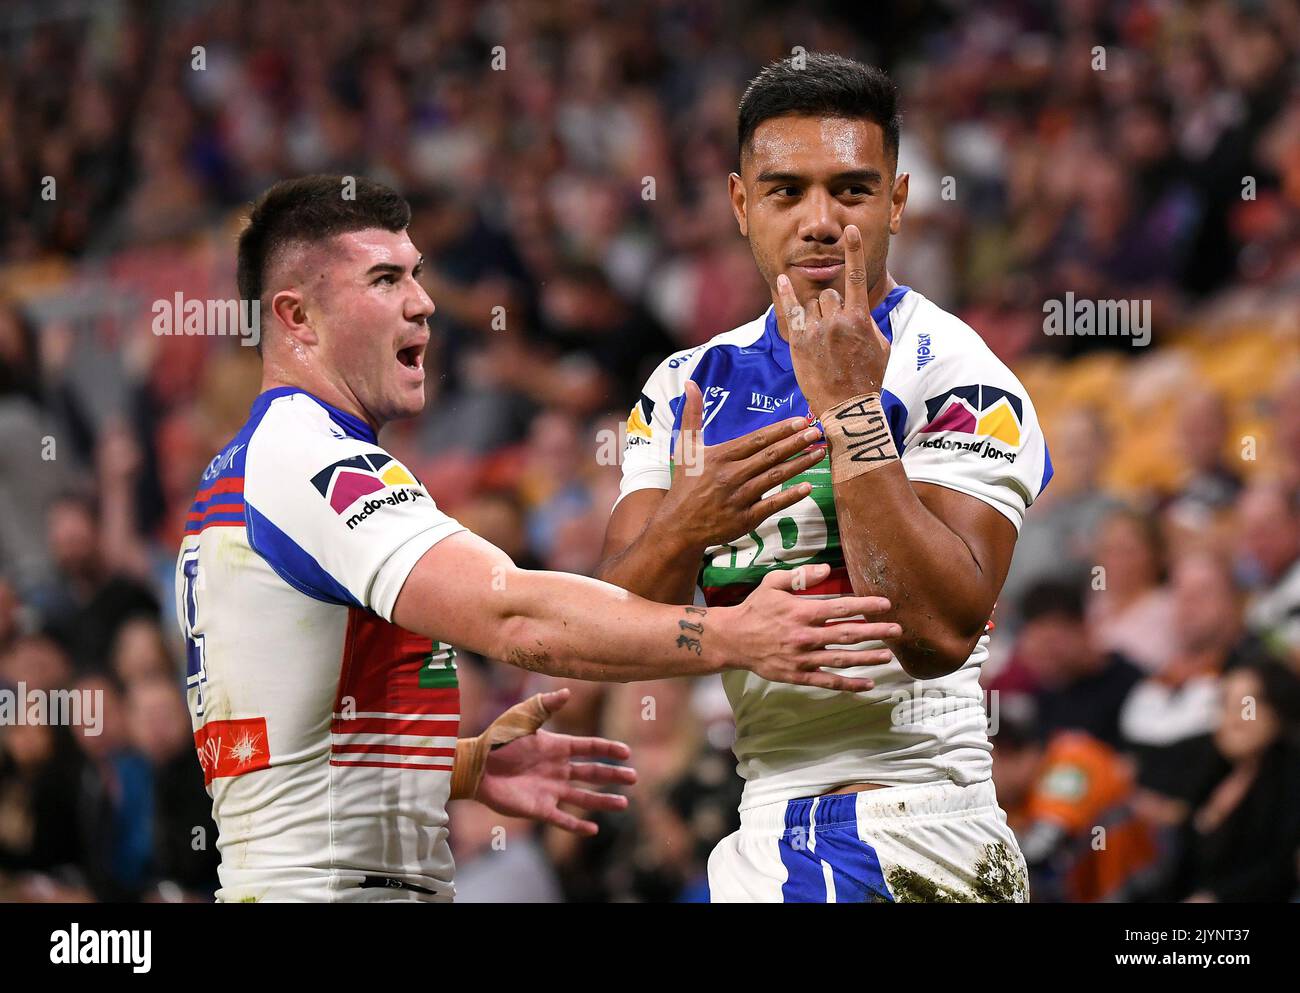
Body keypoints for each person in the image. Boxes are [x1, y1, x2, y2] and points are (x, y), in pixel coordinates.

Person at [177, 174, 897, 903]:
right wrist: (734, 634)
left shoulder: (240, 476)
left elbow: (282, 752)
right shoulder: (311, 459)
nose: (422, 301)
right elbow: (509, 613)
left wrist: (464, 768)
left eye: (417, 275)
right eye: (385, 279)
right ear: (297, 316)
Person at [597, 54, 1052, 902]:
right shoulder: (684, 387)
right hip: (763, 818)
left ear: (897, 202)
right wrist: (684, 527)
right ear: (739, 204)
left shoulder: (957, 373)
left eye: (850, 190)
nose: (819, 221)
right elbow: (609, 635)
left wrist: (852, 413)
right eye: (785, 191)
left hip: (912, 817)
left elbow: (938, 634)